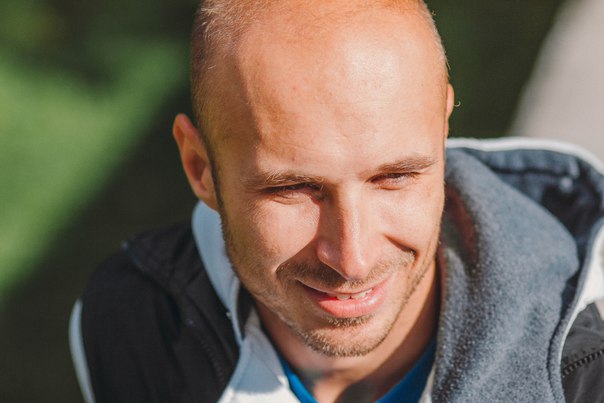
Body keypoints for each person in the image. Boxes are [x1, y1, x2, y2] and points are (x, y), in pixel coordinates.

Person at [69, 0, 604, 402]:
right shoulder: (132, 325)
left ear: (442, 129)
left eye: (395, 177)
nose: (353, 260)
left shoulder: (585, 370)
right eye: (292, 188)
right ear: (200, 168)